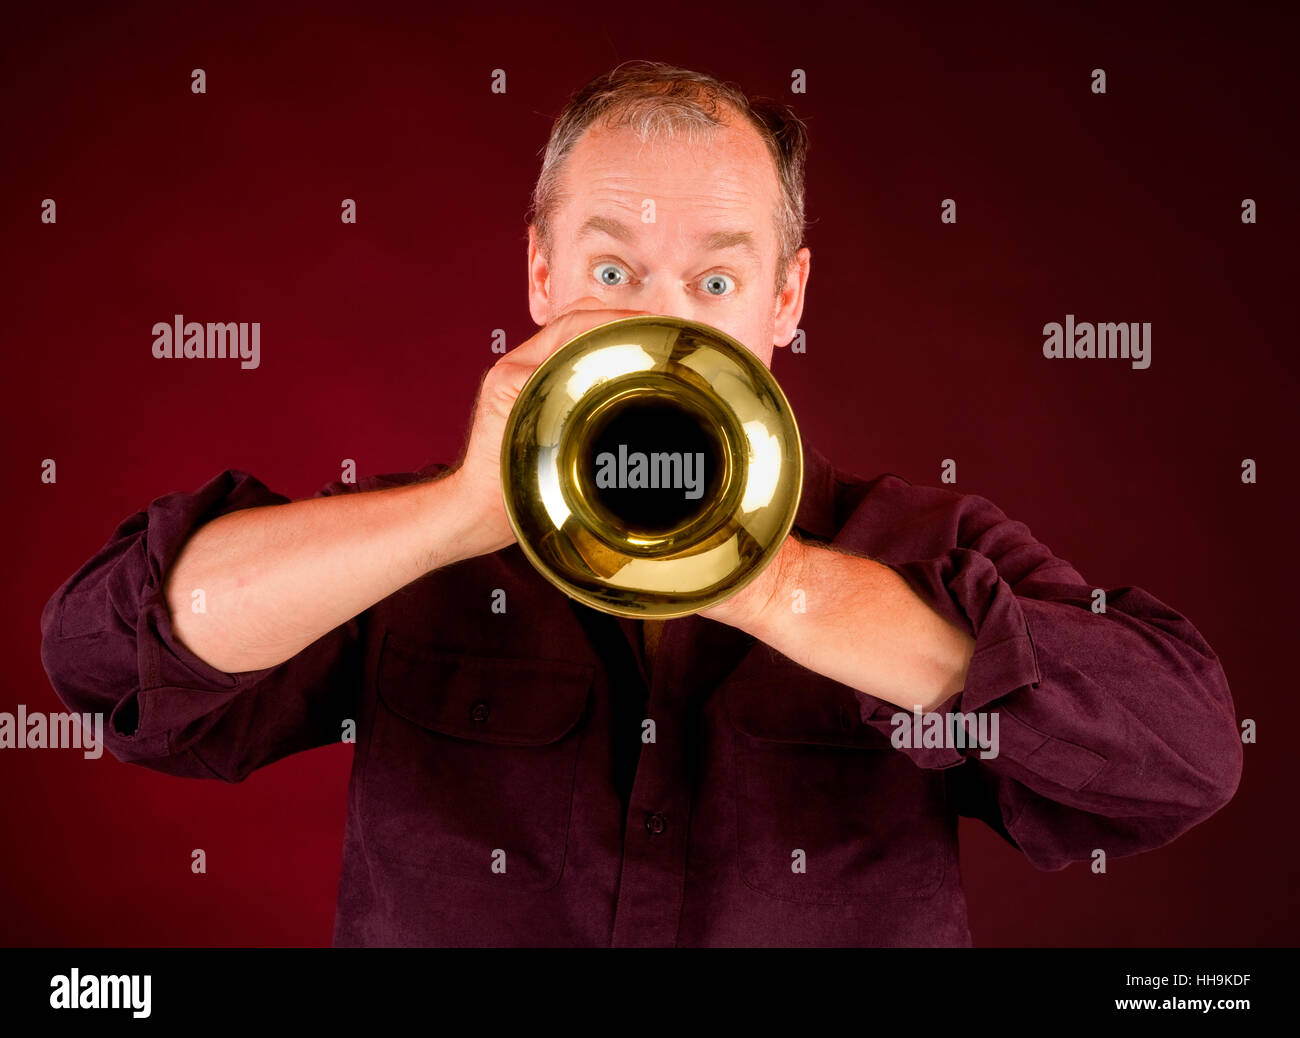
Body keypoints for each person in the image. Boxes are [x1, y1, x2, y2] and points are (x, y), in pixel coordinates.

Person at [40, 60, 1242, 947]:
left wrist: (773, 578)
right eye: (612, 271)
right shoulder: (408, 544)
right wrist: (462, 513)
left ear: (786, 299)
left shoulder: (923, 544)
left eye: (715, 278)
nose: (661, 321)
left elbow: (1179, 760)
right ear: (540, 274)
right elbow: (110, 660)